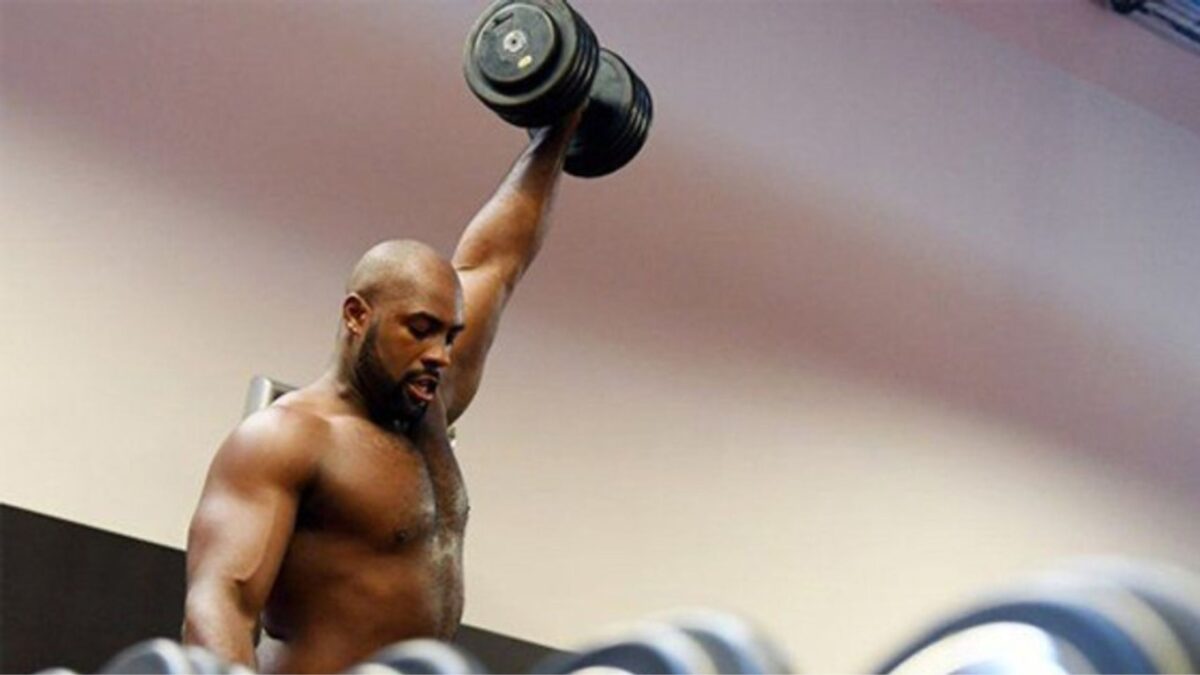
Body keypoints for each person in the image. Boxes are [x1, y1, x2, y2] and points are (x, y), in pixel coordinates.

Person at [182, 111, 582, 674]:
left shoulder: (429, 405)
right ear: (356, 315)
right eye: (420, 330)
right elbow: (219, 604)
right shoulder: (287, 438)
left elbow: (497, 260)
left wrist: (557, 133)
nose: (440, 353)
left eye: (450, 335)